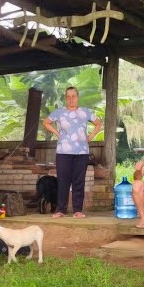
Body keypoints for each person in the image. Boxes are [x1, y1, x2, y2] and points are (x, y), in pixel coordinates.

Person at [42, 86, 102, 218]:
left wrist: (90, 137)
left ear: (77, 97)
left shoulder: (85, 112)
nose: (71, 99)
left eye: (73, 96)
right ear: (65, 98)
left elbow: (98, 123)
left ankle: (77, 210)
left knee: (78, 181)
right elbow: (46, 122)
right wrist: (57, 133)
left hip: (82, 152)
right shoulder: (59, 112)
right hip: (63, 152)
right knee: (63, 181)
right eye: (68, 97)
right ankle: (60, 210)